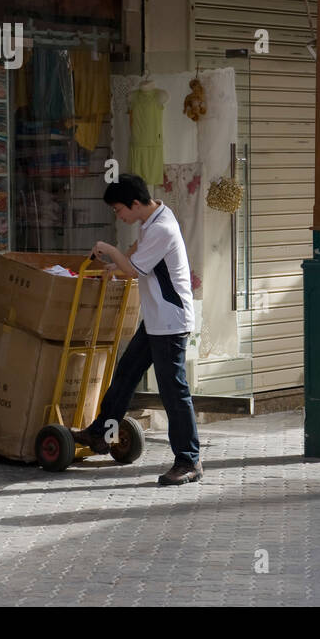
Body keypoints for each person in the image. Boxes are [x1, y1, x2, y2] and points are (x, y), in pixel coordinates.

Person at [73, 173, 202, 486]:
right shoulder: (155, 219)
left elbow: (133, 270)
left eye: (119, 210)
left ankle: (188, 460)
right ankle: (102, 433)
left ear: (134, 203)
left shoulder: (162, 227)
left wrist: (110, 252)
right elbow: (137, 253)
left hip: (170, 323)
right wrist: (115, 265)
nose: (120, 216)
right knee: (127, 371)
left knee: (174, 392)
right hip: (157, 320)